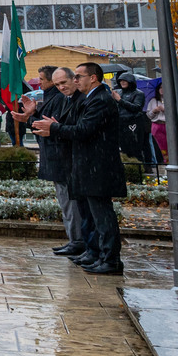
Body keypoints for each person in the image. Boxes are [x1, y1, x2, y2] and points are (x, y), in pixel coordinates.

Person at [33, 62, 126, 275]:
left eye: (78, 76)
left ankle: (110, 259)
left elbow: (84, 130)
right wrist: (54, 126)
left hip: (98, 166)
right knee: (93, 216)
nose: (75, 81)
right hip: (87, 166)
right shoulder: (90, 98)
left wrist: (55, 128)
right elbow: (75, 126)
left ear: (93, 77)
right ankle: (98, 254)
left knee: (103, 217)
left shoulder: (100, 99)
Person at [13, 67, 84, 259]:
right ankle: (75, 239)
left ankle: (78, 241)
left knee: (70, 203)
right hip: (56, 157)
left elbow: (52, 126)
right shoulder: (53, 98)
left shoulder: (60, 99)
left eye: (43, 80)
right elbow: (45, 126)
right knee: (66, 202)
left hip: (61, 158)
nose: (40, 83)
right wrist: (29, 117)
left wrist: (32, 118)